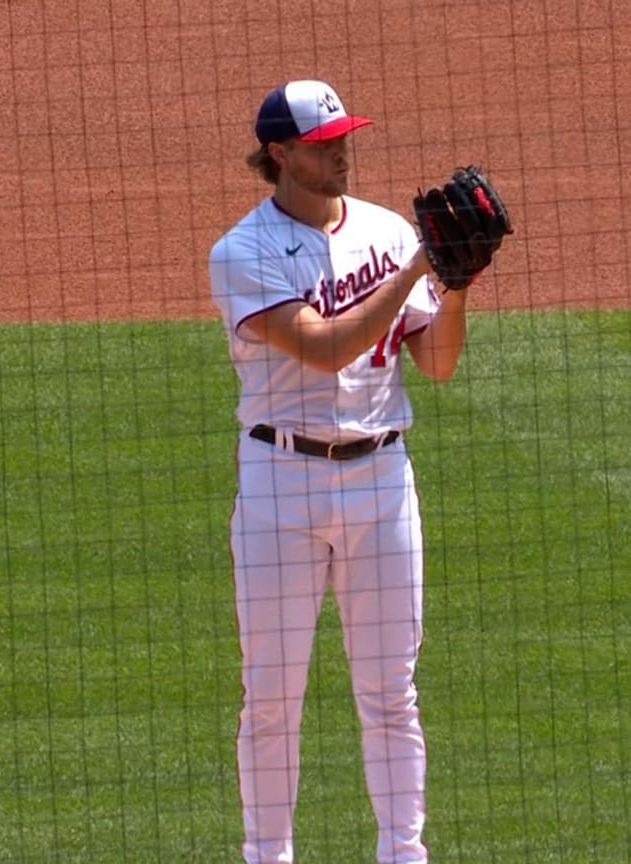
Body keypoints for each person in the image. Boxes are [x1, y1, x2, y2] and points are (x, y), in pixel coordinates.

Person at [208, 79, 467, 864]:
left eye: (346, 136)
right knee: (272, 700)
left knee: (392, 693)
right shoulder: (242, 252)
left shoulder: (386, 231)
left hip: (381, 478)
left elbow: (440, 362)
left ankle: (403, 853)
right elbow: (324, 347)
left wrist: (454, 288)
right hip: (280, 486)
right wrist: (421, 261)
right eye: (325, 144)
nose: (342, 152)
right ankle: (268, 857)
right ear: (280, 155)